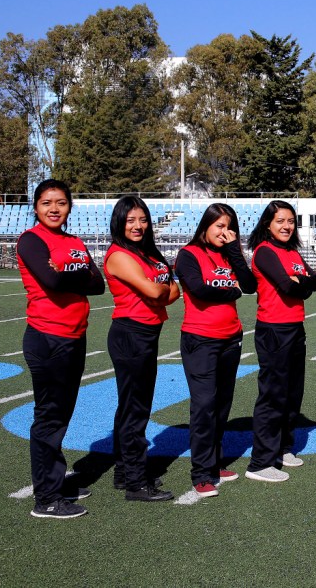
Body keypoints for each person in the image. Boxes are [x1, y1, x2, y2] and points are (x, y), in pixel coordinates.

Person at [17, 179, 105, 519]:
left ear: (69, 206)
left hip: (73, 336)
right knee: (49, 417)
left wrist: (69, 271)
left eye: (61, 202)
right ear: (36, 207)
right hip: (47, 338)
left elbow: (98, 285)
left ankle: (54, 480)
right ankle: (47, 498)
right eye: (46, 202)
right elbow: (51, 281)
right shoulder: (31, 240)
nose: (54, 208)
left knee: (61, 415)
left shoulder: (74, 241)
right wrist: (77, 273)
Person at [175, 203, 256, 498]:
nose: (223, 232)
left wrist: (235, 251)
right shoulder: (188, 254)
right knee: (204, 405)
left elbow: (249, 285)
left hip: (231, 338)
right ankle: (201, 473)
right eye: (218, 226)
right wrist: (230, 290)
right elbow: (199, 289)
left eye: (228, 227)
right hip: (200, 340)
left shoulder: (228, 254)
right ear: (205, 226)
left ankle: (215, 462)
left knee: (222, 404)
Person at [104, 196, 180, 502]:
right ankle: (136, 482)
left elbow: (171, 288)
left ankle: (125, 472)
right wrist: (163, 290)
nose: (137, 226)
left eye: (143, 219)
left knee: (131, 407)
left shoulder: (146, 252)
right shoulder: (119, 254)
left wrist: (163, 290)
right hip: (130, 334)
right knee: (135, 410)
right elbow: (156, 290)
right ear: (120, 222)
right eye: (131, 220)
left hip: (147, 333)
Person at [246, 201, 316, 483]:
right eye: (280, 221)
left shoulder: (292, 251)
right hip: (273, 330)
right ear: (268, 223)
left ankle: (283, 447)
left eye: (290, 221)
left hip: (294, 328)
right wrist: (299, 282)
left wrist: (299, 280)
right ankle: (260, 462)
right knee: (272, 395)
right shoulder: (265, 252)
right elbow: (288, 286)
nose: (286, 226)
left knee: (292, 393)